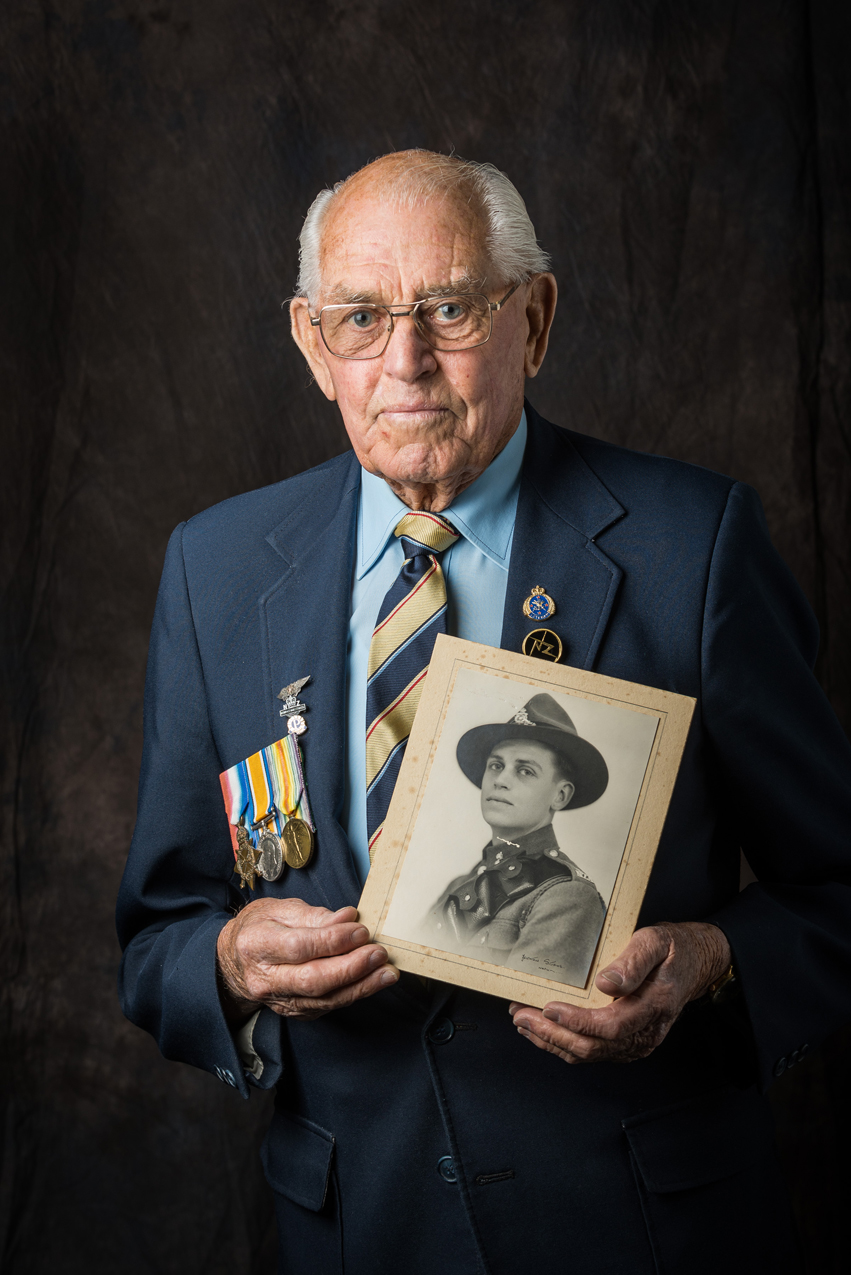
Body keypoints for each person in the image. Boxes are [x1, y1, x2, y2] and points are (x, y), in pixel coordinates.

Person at [117, 150, 851, 1275]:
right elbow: (157, 932)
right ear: (314, 345)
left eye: (449, 308)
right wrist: (226, 962)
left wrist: (707, 959)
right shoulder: (215, 571)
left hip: (644, 1227)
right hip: (356, 1225)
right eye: (360, 317)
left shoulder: (690, 547)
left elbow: (831, 895)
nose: (403, 361)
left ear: (535, 318)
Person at [423, 692, 607, 983]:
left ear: (560, 795)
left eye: (524, 770)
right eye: (496, 765)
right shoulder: (460, 885)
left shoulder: (566, 895)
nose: (501, 780)